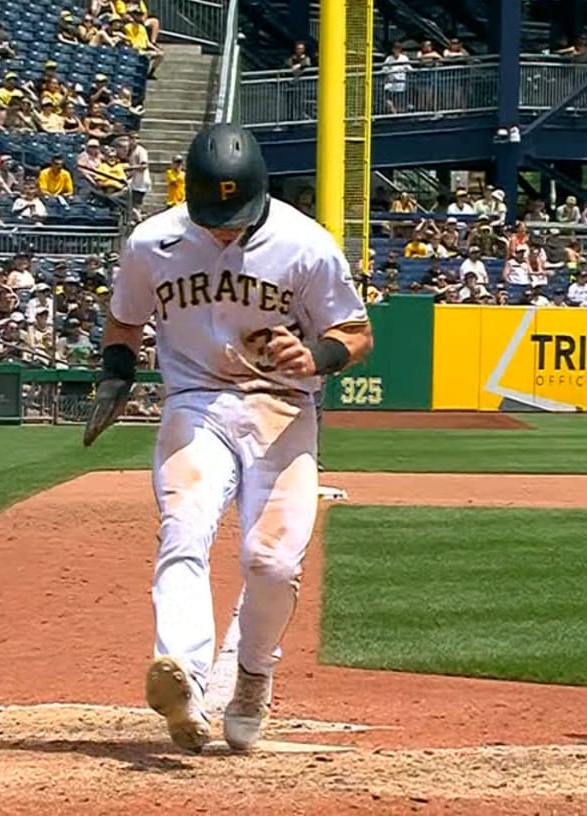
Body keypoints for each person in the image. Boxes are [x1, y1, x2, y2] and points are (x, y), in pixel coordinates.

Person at [83, 124, 373, 754]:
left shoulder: (306, 245)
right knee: (183, 527)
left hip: (282, 408)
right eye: (213, 217)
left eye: (234, 217)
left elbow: (356, 332)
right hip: (196, 402)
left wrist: (318, 355)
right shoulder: (152, 242)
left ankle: (251, 674)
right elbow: (125, 317)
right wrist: (115, 375)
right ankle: (182, 673)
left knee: (272, 563)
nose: (223, 230)